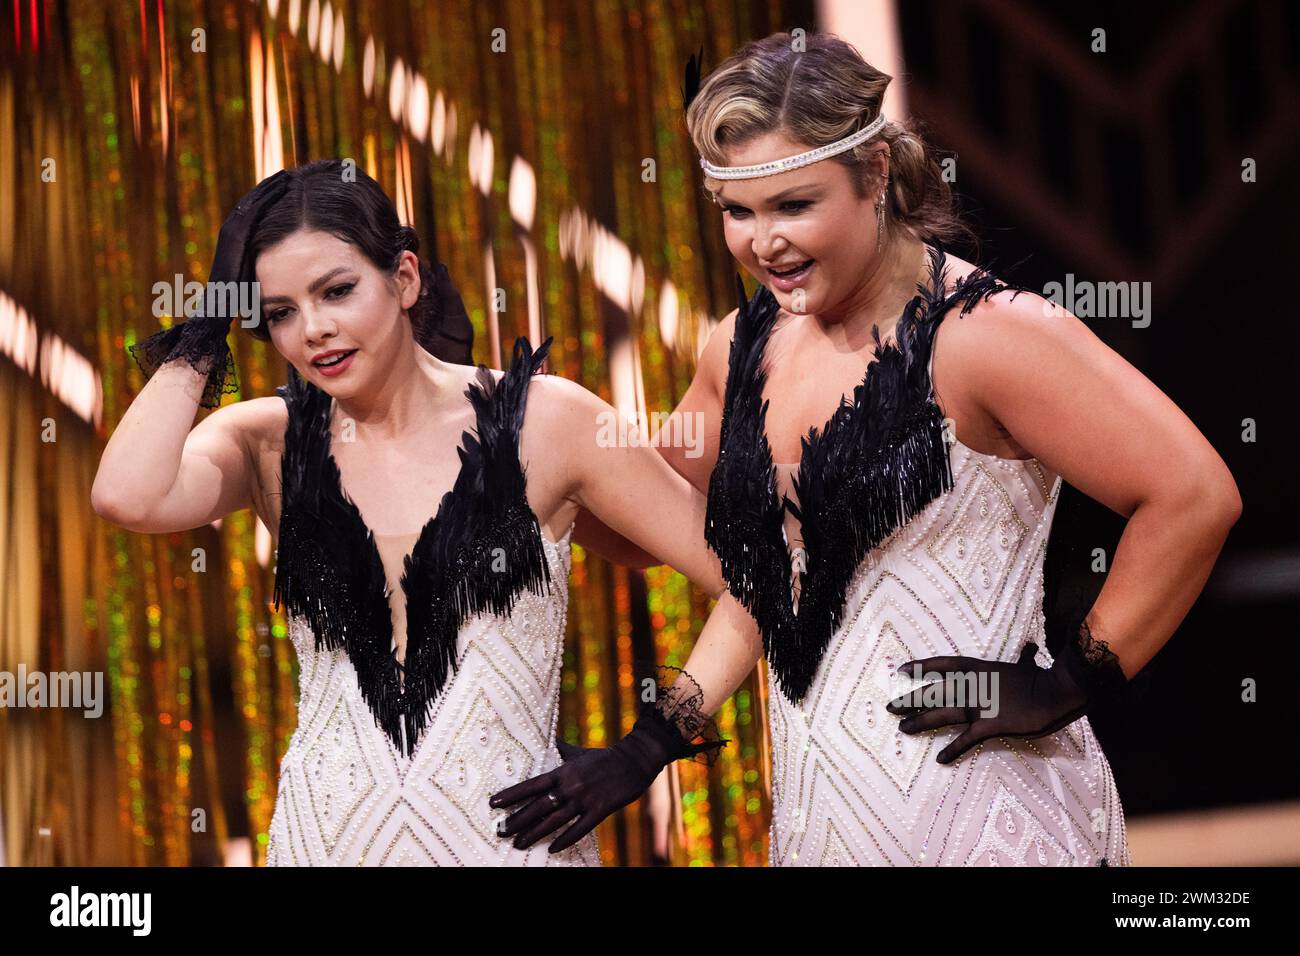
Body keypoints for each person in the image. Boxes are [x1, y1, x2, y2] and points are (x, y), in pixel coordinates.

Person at [506, 32, 1242, 866]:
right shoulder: (739, 349)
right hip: (824, 819)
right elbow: (645, 533)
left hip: (996, 813)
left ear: (878, 173)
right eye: (736, 212)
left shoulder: (989, 336)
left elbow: (1193, 494)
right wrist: (510, 429)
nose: (762, 242)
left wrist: (1070, 683)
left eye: (793, 205)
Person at [91, 160, 763, 866]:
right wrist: (206, 327)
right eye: (281, 311)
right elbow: (126, 496)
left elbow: (760, 579)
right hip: (325, 842)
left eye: (338, 290)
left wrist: (647, 747)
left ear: (405, 278)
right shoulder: (265, 440)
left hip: (511, 844)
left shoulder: (545, 420)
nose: (313, 329)